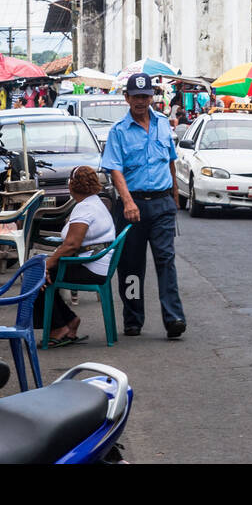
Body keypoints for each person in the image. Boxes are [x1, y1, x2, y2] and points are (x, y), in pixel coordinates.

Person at [100, 74, 186, 339]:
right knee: (131, 266)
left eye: (145, 96)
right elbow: (115, 169)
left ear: (152, 98)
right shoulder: (118, 132)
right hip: (132, 204)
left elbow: (170, 161)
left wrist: (174, 194)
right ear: (127, 98)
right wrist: (127, 202)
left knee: (166, 260)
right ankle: (133, 319)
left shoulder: (162, 124)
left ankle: (174, 317)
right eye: (136, 97)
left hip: (161, 204)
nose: (140, 101)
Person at [35, 166, 117, 347]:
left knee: (35, 276)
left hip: (90, 268)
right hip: (97, 264)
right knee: (43, 272)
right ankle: (69, 321)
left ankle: (58, 327)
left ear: (71, 186)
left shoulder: (85, 208)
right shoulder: (96, 202)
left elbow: (72, 244)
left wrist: (47, 264)